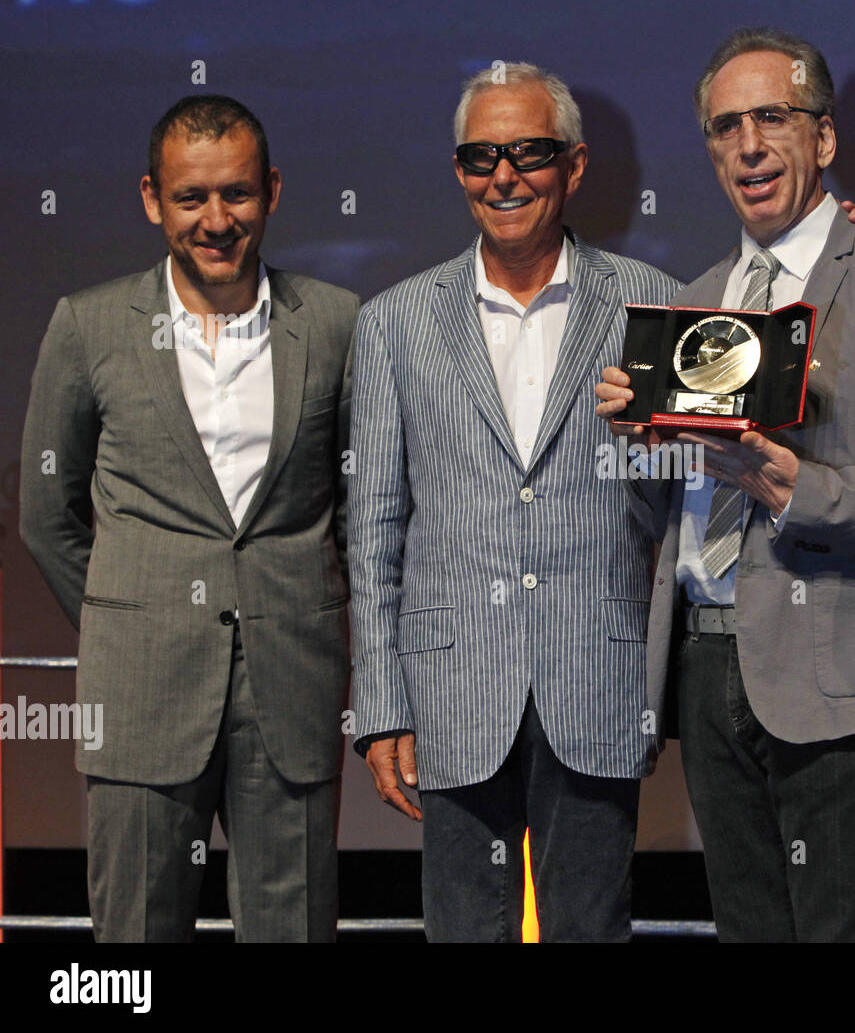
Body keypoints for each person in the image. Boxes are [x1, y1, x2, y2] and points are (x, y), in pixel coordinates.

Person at [597, 27, 855, 941]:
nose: (750, 145)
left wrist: (796, 489)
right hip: (705, 664)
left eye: (774, 117)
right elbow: (673, 508)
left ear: (825, 139)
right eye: (727, 126)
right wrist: (641, 441)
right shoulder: (699, 298)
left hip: (836, 671)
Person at [347, 63, 681, 942]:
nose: (503, 176)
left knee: (590, 929)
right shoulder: (395, 323)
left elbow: (691, 501)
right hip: (452, 683)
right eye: (480, 157)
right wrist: (381, 700)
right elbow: (374, 529)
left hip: (596, 677)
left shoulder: (655, 305)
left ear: (573, 166)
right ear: (459, 171)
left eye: (528, 153)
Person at [20, 95, 358, 942]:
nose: (216, 220)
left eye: (236, 194)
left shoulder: (337, 323)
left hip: (291, 683)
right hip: (139, 691)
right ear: (150, 198)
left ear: (271, 191)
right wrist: (127, 618)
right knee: (132, 945)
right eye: (190, 198)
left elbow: (361, 507)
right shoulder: (88, 325)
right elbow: (45, 514)